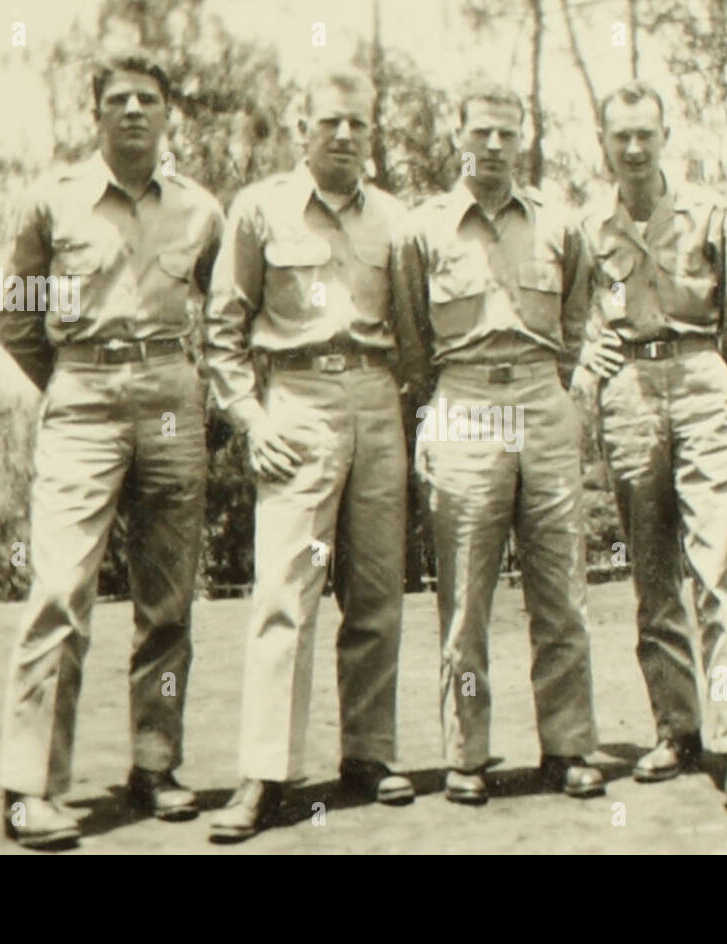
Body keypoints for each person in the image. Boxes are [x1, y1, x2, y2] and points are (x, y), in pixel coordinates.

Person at [0, 49, 223, 849]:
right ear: (95, 114)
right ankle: (30, 788)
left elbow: (226, 318)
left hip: (170, 395)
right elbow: (13, 316)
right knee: (60, 592)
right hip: (83, 396)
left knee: (167, 601)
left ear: (168, 115)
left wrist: (204, 398)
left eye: (148, 99)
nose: (133, 111)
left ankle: (155, 767)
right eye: (118, 99)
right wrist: (69, 383)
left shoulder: (201, 211)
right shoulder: (51, 201)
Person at [205, 68, 414, 842]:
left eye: (358, 123)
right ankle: (265, 776)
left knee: (377, 590)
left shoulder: (395, 220)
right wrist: (253, 422)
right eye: (331, 122)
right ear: (302, 130)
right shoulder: (259, 210)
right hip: (296, 403)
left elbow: (416, 338)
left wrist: (402, 413)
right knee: (284, 594)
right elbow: (223, 333)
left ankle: (370, 754)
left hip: (376, 400)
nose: (346, 136)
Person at [391, 83, 603, 805]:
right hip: (465, 399)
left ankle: (570, 746)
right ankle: (467, 754)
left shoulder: (559, 223)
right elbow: (411, 342)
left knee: (560, 589)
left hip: (542, 397)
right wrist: (441, 408)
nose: (493, 146)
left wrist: (553, 388)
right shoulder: (424, 230)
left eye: (507, 134)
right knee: (465, 592)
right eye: (480, 131)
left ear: (522, 140)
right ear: (457, 135)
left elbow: (576, 323)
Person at [576, 81, 727, 811]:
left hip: (698, 375)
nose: (632, 147)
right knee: (652, 574)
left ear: (665, 137)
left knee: (716, 565)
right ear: (604, 143)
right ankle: (678, 728)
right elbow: (582, 317)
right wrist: (594, 370)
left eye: (644, 134)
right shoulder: (590, 226)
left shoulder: (708, 210)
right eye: (619, 135)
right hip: (628, 386)